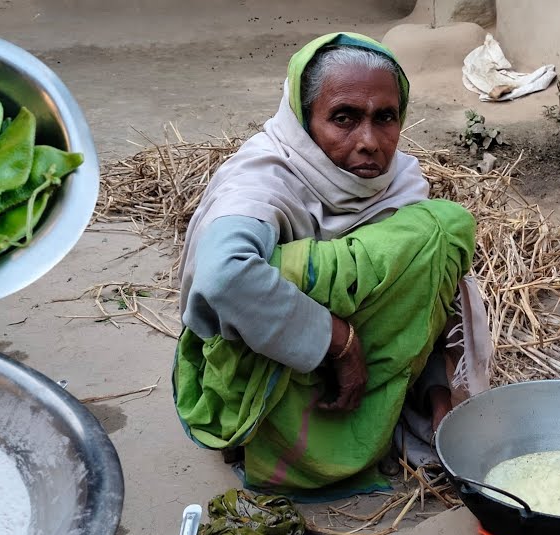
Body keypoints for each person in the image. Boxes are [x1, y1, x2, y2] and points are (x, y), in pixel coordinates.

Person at [173, 32, 490, 499]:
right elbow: (223, 275)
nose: (369, 142)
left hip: (347, 364)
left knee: (439, 230)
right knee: (278, 270)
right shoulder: (263, 180)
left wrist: (435, 392)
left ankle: (387, 405)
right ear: (303, 120)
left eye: (385, 117)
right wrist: (339, 343)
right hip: (269, 376)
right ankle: (286, 440)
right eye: (344, 118)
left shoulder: (399, 182)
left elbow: (416, 298)